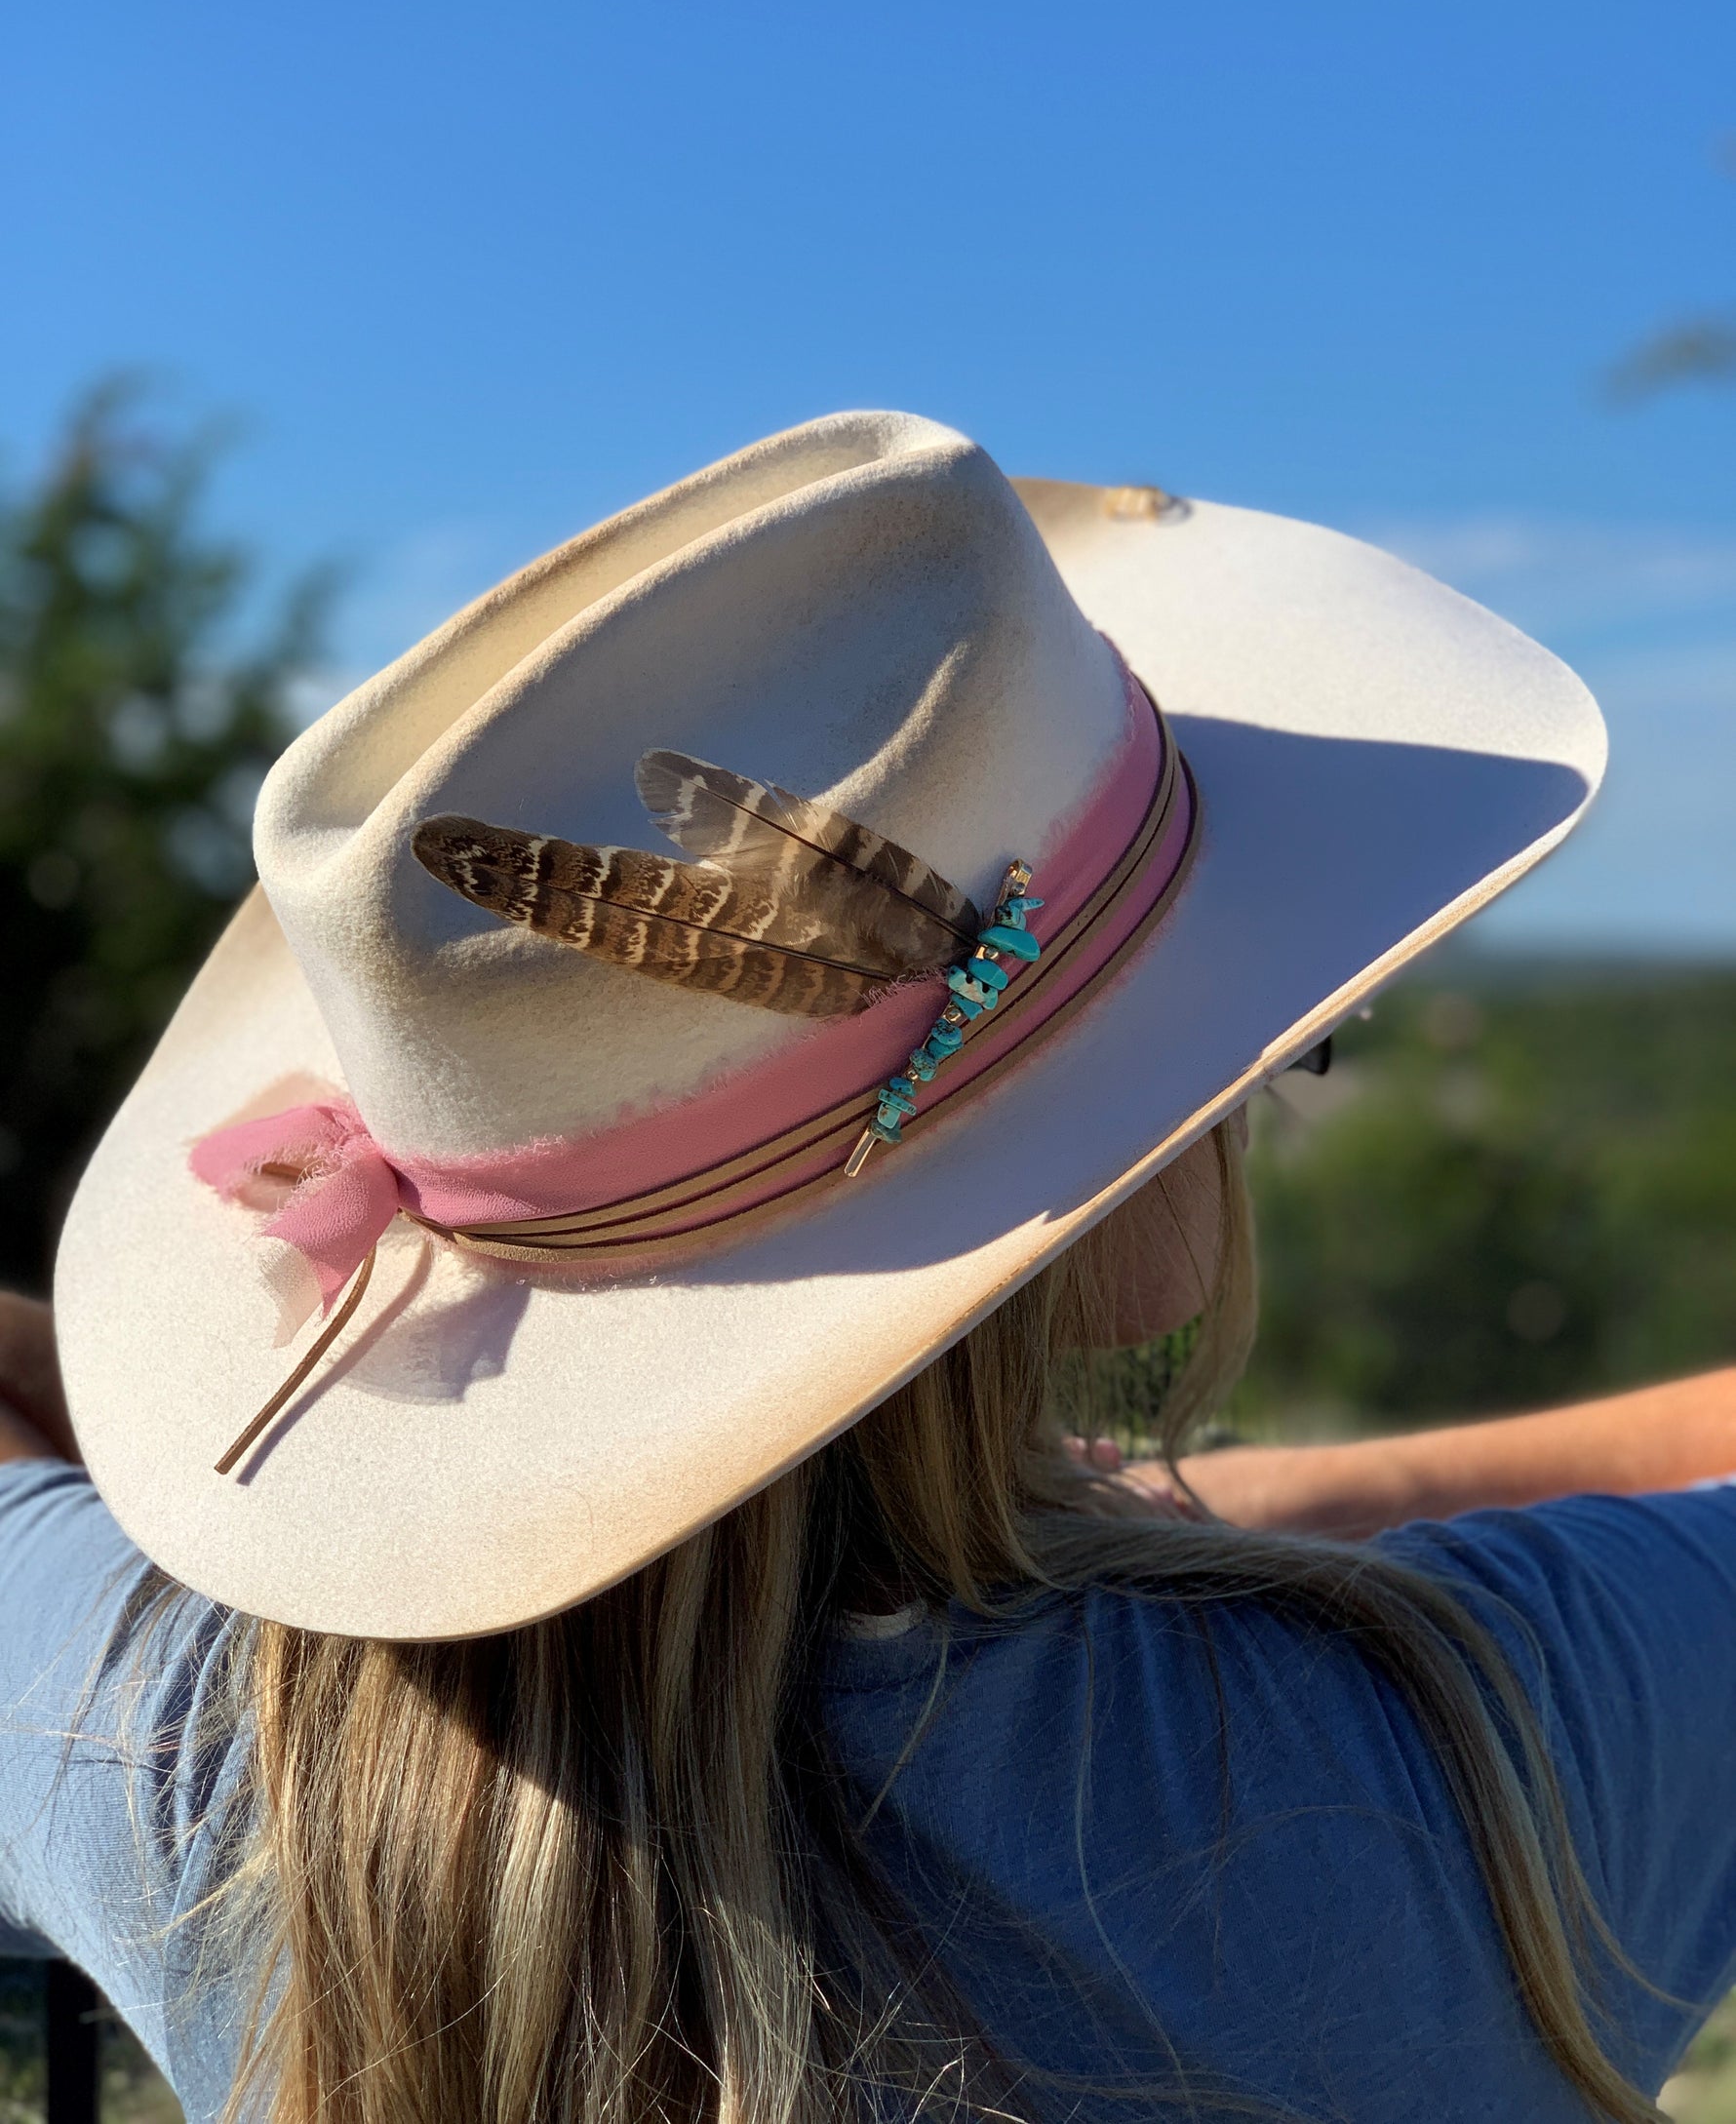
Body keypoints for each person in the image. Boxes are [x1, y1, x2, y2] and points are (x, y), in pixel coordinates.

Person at [3, 411, 1732, 2124]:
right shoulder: (1482, 1739)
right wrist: (1261, 1513)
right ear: (1113, 1188)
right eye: (1270, 1049)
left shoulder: (198, 1767)